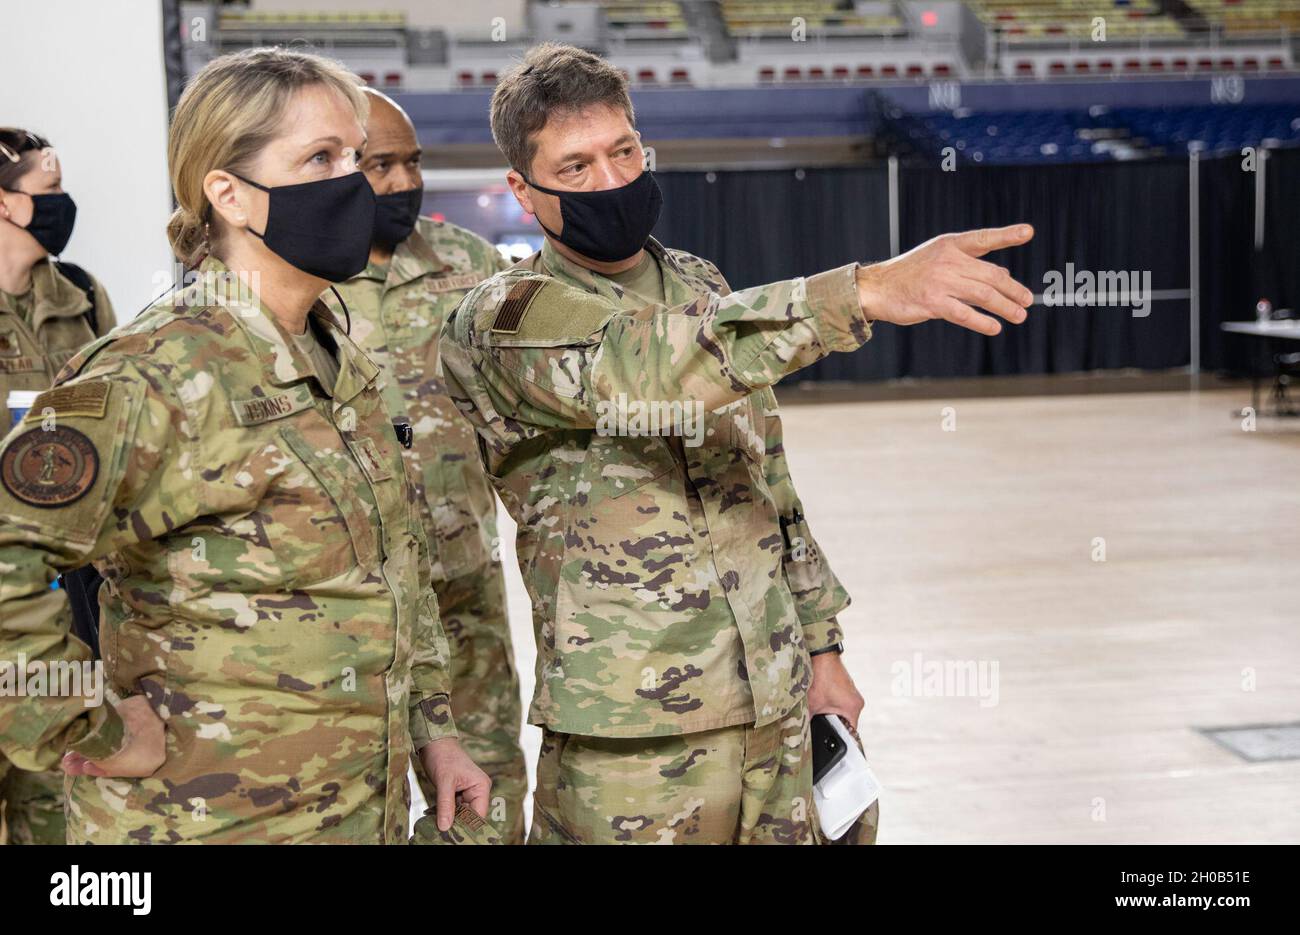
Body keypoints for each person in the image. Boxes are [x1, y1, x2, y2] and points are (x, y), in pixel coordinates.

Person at [441, 42, 1035, 844]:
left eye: (624, 152)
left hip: (779, 699)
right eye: (575, 167)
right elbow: (645, 368)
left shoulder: (699, 283)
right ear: (523, 187)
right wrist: (861, 290)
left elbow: (769, 477)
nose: (612, 180)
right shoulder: (504, 316)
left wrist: (823, 648)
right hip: (636, 733)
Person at [0, 47, 488, 844]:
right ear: (227, 193)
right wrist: (83, 724)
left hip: (359, 813)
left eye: (355, 157)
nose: (355, 182)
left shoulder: (341, 358)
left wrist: (434, 728)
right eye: (320, 158)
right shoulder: (151, 375)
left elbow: (395, 572)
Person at [325, 88, 527, 842]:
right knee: (357, 788)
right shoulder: (300, 283)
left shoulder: (465, 262)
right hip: (355, 596)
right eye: (381, 165)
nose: (404, 181)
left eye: (413, 162)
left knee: (487, 779)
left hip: (463, 575)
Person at [0, 126, 117, 845]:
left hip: (60, 596)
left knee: (59, 796)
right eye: (49, 192)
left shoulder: (79, 296)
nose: (63, 205)